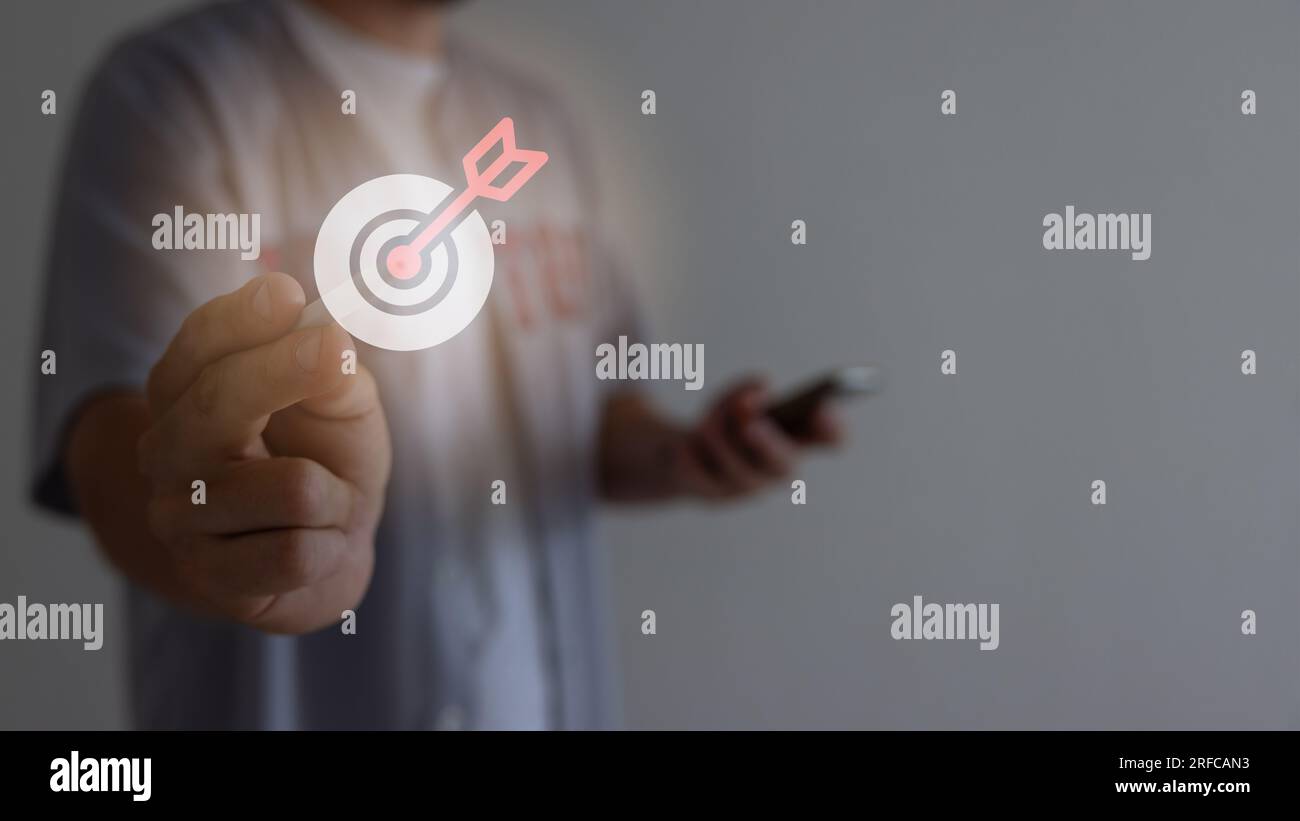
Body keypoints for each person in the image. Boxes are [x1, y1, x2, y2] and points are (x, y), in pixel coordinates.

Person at [31, 0, 842, 730]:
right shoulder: (174, 93)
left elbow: (594, 419)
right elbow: (117, 448)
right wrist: (235, 549)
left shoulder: (540, 122)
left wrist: (683, 456)